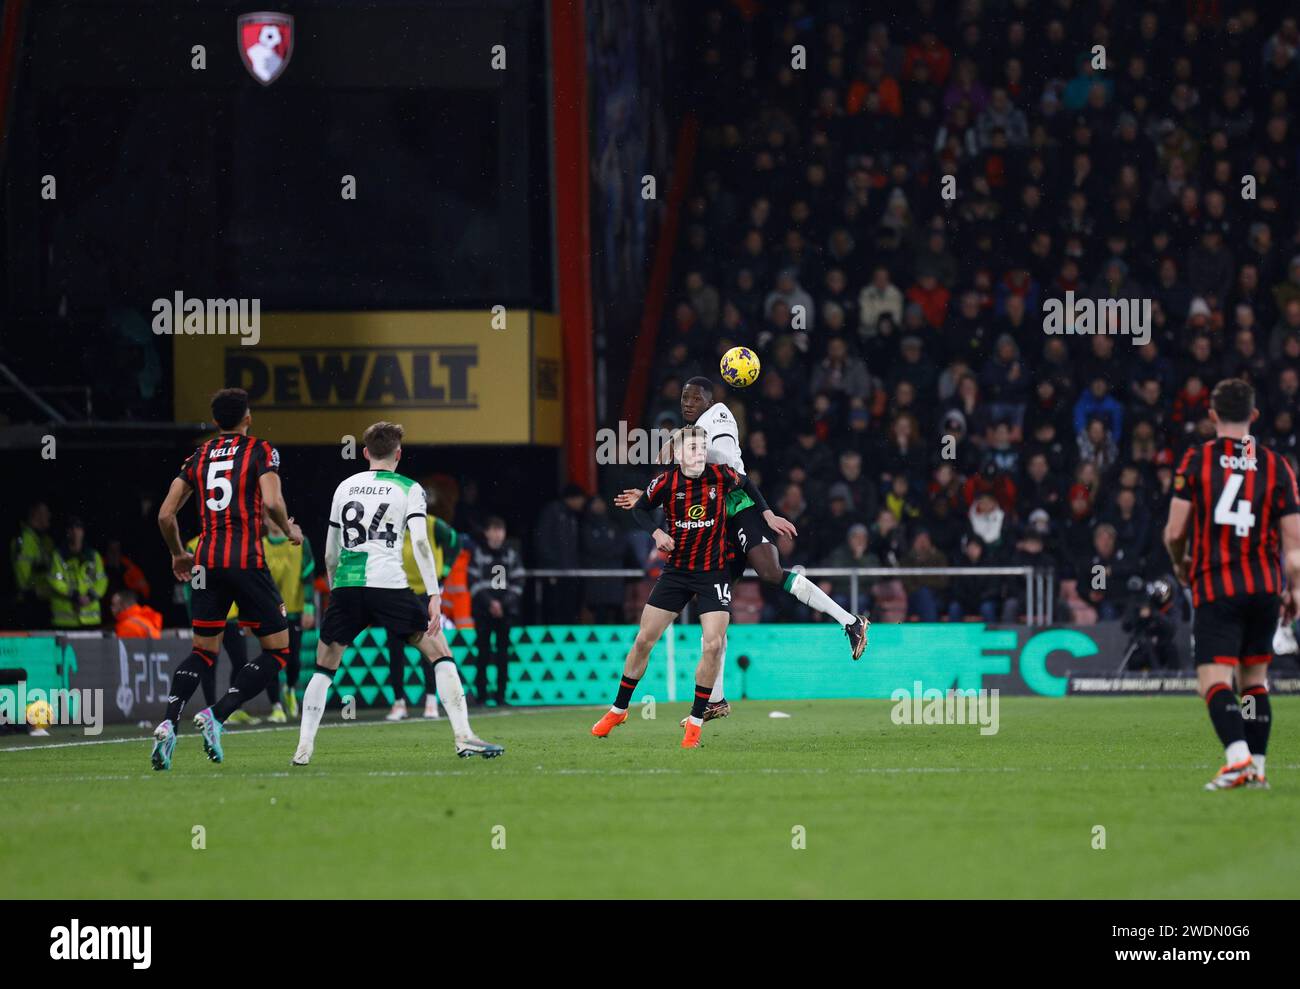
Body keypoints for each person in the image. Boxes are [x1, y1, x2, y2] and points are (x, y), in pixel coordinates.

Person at [615, 377, 868, 724]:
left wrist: (765, 512)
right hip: (718, 516)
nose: (688, 404)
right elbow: (682, 472)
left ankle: (851, 622)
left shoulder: (718, 418)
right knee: (719, 605)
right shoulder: (694, 429)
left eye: (695, 398)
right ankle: (715, 700)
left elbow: (723, 473)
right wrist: (646, 496)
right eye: (684, 399)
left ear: (710, 399)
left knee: (769, 571)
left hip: (738, 506)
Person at [292, 421, 502, 764]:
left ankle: (304, 749)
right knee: (440, 653)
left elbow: (329, 552)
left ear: (365, 453)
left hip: (347, 585)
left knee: (324, 666)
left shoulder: (345, 486)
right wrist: (434, 594)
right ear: (398, 454)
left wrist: (336, 589)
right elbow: (420, 541)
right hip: (389, 585)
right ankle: (464, 737)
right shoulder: (409, 488)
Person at [150, 388, 302, 771]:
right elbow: (271, 502)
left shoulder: (198, 456)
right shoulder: (260, 450)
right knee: (279, 651)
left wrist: (177, 555)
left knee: (203, 650)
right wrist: (289, 531)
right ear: (247, 418)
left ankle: (169, 722)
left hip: (205, 562)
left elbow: (166, 516)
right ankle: (217, 715)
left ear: (216, 421)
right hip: (246, 560)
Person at [1163, 379, 1300, 790]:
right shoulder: (1278, 466)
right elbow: (1294, 549)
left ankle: (1238, 760)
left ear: (1212, 415)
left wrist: (1181, 563)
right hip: (1264, 586)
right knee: (1254, 680)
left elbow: (1173, 531)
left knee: (1214, 681)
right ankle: (1257, 769)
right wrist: (1294, 592)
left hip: (1217, 585)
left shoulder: (1196, 460)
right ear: (1254, 416)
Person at [594, 427, 759, 748]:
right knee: (644, 640)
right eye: (693, 448)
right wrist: (657, 534)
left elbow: (748, 483)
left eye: (702, 447)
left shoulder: (721, 475)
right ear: (679, 455)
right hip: (677, 573)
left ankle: (695, 725)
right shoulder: (665, 483)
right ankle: (619, 709)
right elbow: (641, 509)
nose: (700, 452)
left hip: (714, 573)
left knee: (713, 645)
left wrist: (765, 512)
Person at [385, 511, 470, 721]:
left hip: (425, 593)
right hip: (396, 591)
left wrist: (445, 570)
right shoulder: (389, 523)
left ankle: (431, 701)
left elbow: (454, 541)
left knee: (429, 647)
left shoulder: (432, 524)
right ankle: (399, 703)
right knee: (395, 649)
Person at [262, 509, 316, 722]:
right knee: (270, 660)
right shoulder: (260, 547)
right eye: (270, 517)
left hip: (294, 610)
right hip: (269, 613)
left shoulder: (300, 542)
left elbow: (309, 575)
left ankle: (290, 689)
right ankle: (275, 705)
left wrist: (309, 606)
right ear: (265, 521)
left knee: (293, 659)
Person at [467, 516, 524, 706]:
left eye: (501, 530)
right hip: (483, 613)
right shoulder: (478, 553)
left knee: (502, 655)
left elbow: (518, 582)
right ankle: (481, 694)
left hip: (505, 614)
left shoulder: (510, 554)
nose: (498, 534)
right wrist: (490, 603)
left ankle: (501, 695)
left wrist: (503, 604)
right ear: (487, 532)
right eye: (494, 529)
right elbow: (473, 582)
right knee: (483, 653)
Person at [533, 483, 585, 623]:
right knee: (554, 606)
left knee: (569, 606)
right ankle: (550, 637)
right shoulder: (552, 512)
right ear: (573, 498)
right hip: (555, 571)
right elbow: (543, 541)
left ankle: (567, 636)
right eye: (581, 499)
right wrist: (551, 568)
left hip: (570, 571)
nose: (582, 503)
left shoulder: (572, 516)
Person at [47, 518, 108, 630]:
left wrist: (90, 596)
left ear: (83, 532)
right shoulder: (58, 555)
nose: (75, 532)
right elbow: (54, 580)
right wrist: (74, 595)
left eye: (78, 528)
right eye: (72, 528)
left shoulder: (93, 556)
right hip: (65, 620)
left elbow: (102, 580)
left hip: (90, 618)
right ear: (67, 532)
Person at [10, 500, 53, 628]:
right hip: (29, 605)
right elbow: (23, 580)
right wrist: (37, 591)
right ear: (36, 514)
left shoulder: (44, 540)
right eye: (46, 512)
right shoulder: (24, 539)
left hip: (44, 604)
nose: (49, 516)